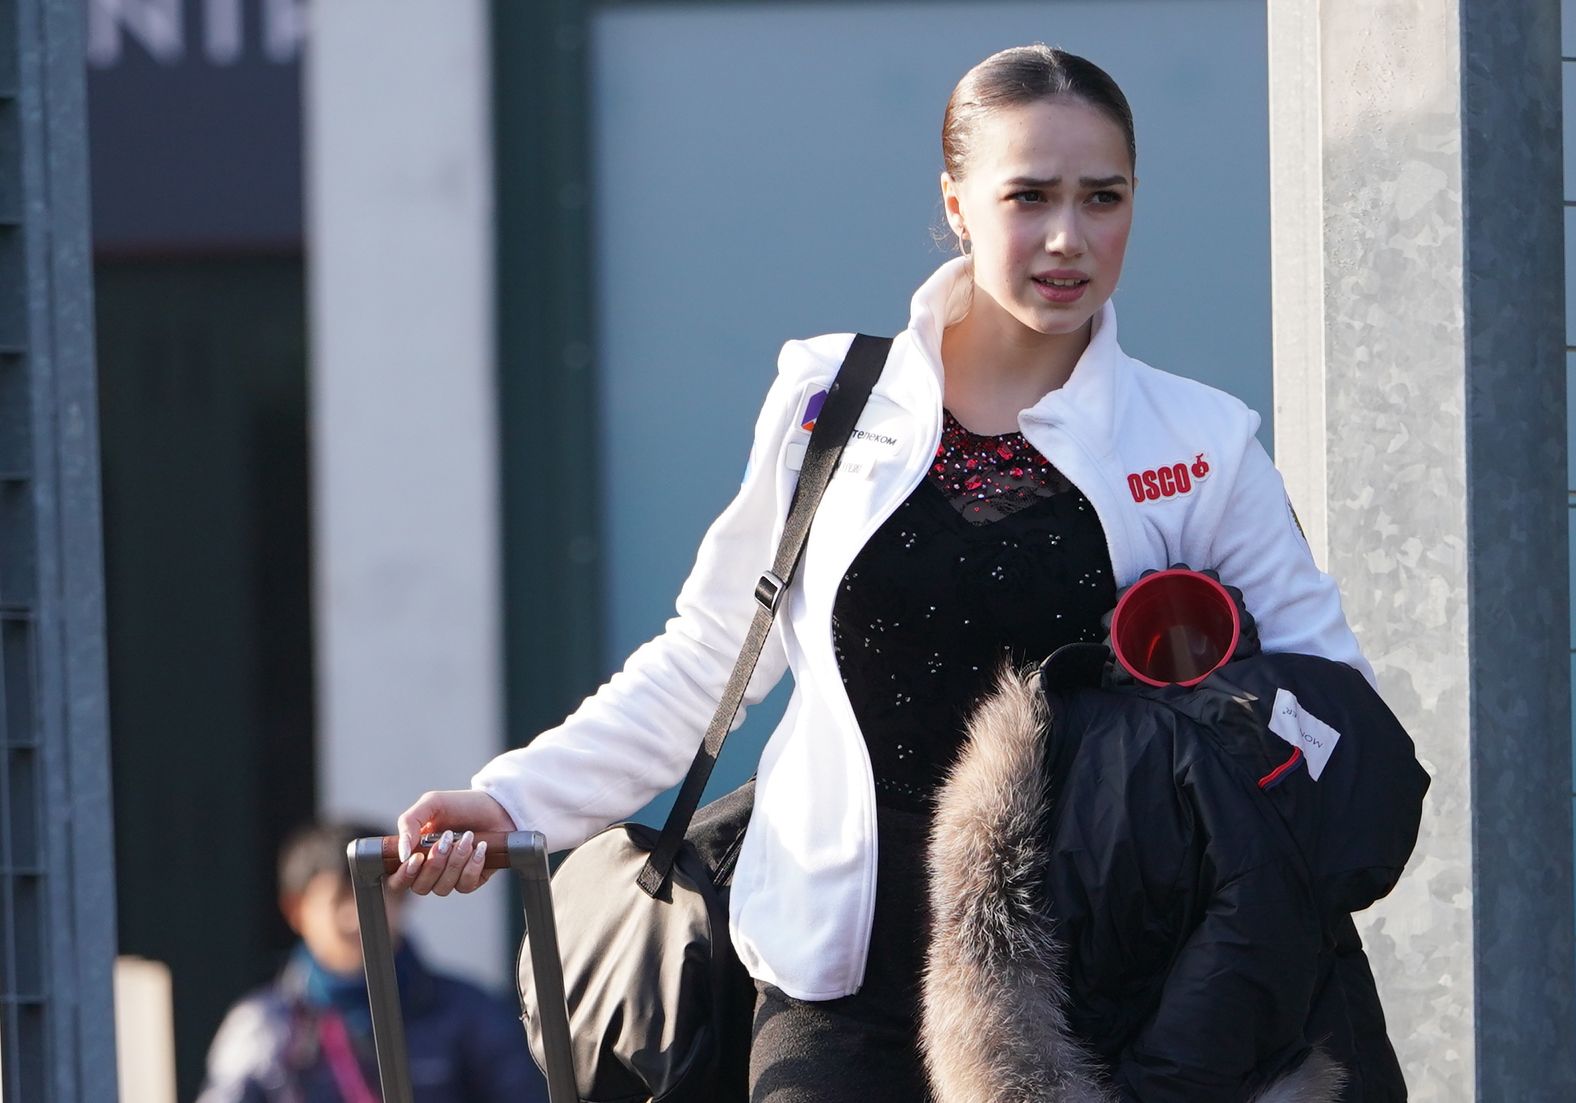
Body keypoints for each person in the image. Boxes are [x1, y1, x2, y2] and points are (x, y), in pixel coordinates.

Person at [391, 45, 1382, 1101]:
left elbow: (1335, 706)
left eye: (1103, 197)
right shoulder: (831, 396)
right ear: (956, 202)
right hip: (831, 967)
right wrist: (512, 796)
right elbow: (707, 658)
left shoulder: (1200, 444)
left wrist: (1211, 735)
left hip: (1091, 991)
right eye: (1029, 196)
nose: (1068, 236)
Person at [196, 821, 546, 1103]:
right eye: (338, 900)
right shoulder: (260, 1025)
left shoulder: (472, 1013)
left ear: (405, 898)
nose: (356, 918)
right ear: (296, 910)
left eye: (374, 896)